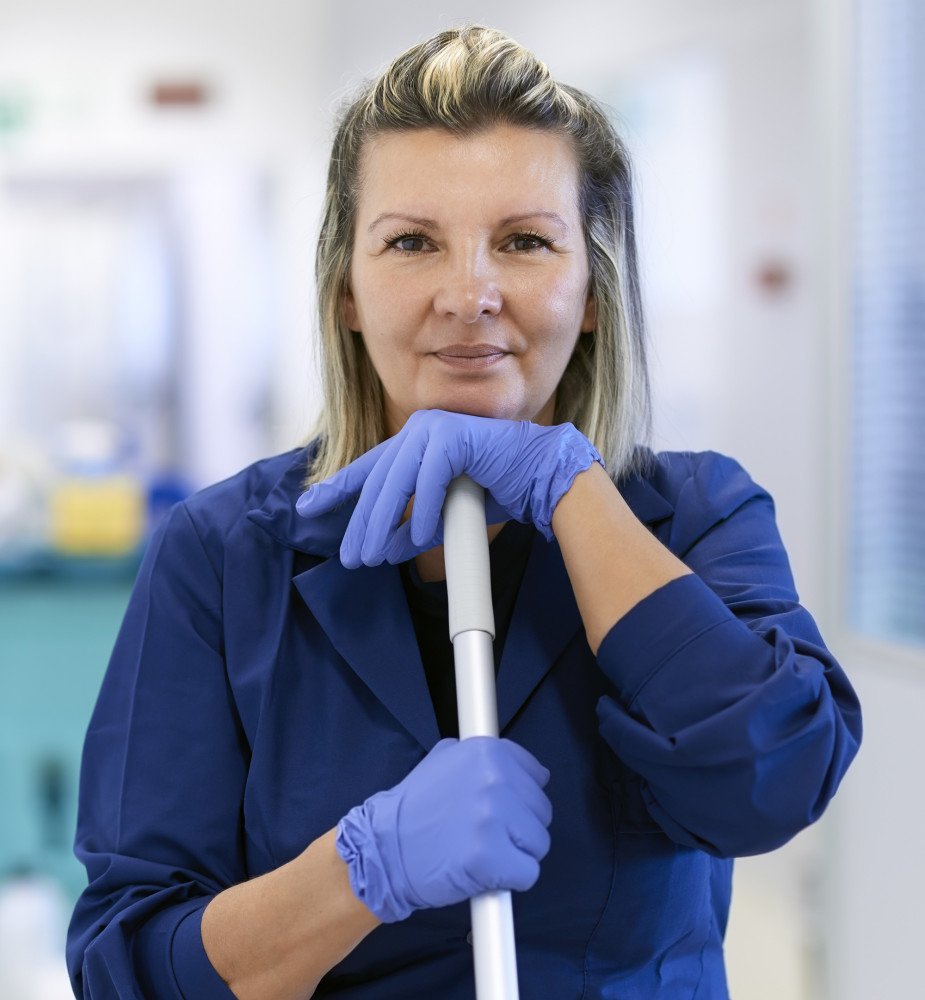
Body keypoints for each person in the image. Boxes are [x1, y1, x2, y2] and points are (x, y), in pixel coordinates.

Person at [66, 24, 862, 1000]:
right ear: (347, 292)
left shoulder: (690, 514)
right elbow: (124, 966)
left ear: (594, 293)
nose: (469, 294)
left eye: (525, 241)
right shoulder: (224, 556)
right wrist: (363, 870)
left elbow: (768, 781)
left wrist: (568, 487)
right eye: (410, 242)